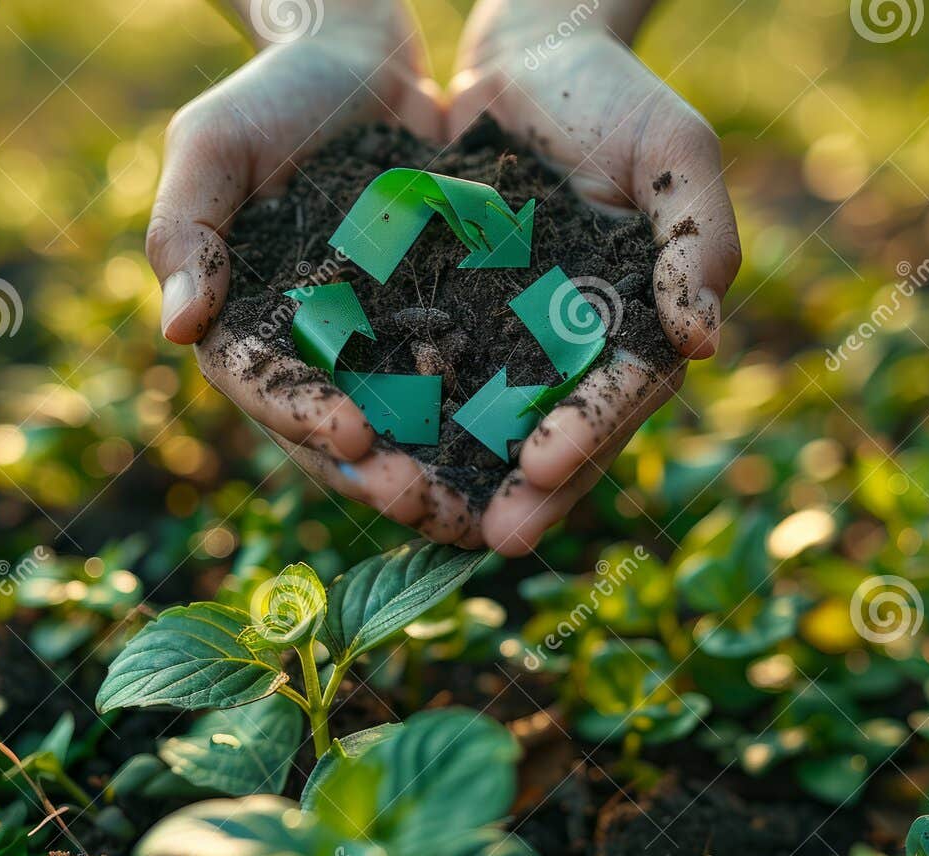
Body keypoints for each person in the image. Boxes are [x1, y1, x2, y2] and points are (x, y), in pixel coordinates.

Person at [145, 0, 740, 556]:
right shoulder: (340, 277)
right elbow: (345, 278)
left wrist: (550, 27)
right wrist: (335, 29)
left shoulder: (537, 268)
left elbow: (533, 294)